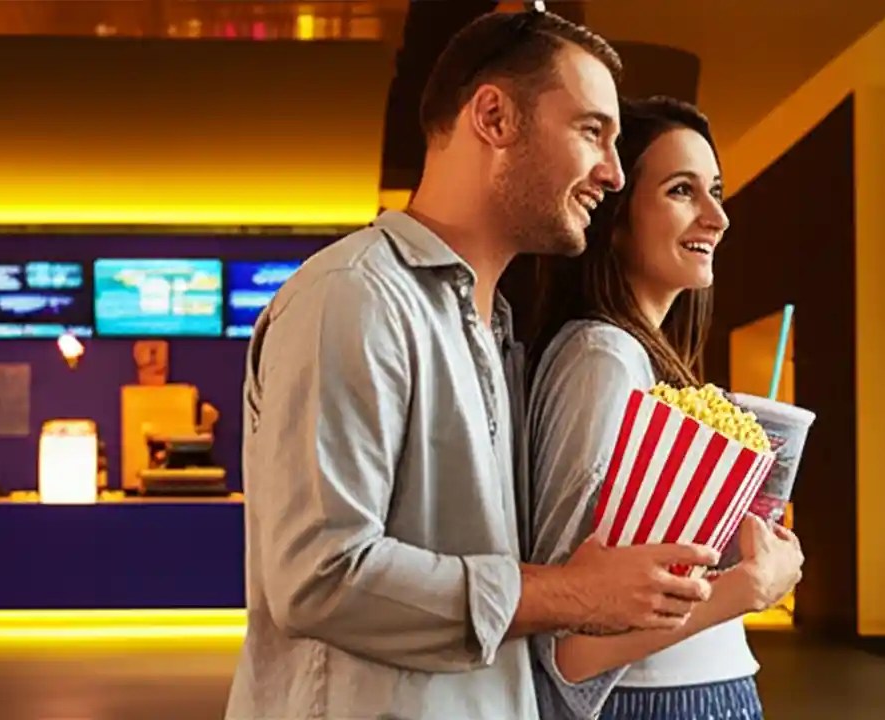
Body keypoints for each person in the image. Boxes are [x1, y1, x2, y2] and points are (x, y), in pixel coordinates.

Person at [225, 11, 724, 720]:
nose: (612, 175)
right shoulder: (355, 295)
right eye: (592, 133)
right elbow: (319, 576)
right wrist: (574, 591)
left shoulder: (495, 329)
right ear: (493, 116)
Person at [523, 96, 806, 720]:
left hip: (696, 690)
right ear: (616, 218)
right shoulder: (602, 357)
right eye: (682, 191)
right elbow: (567, 646)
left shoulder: (640, 357)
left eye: (717, 192)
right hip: (659, 702)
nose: (717, 218)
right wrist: (750, 587)